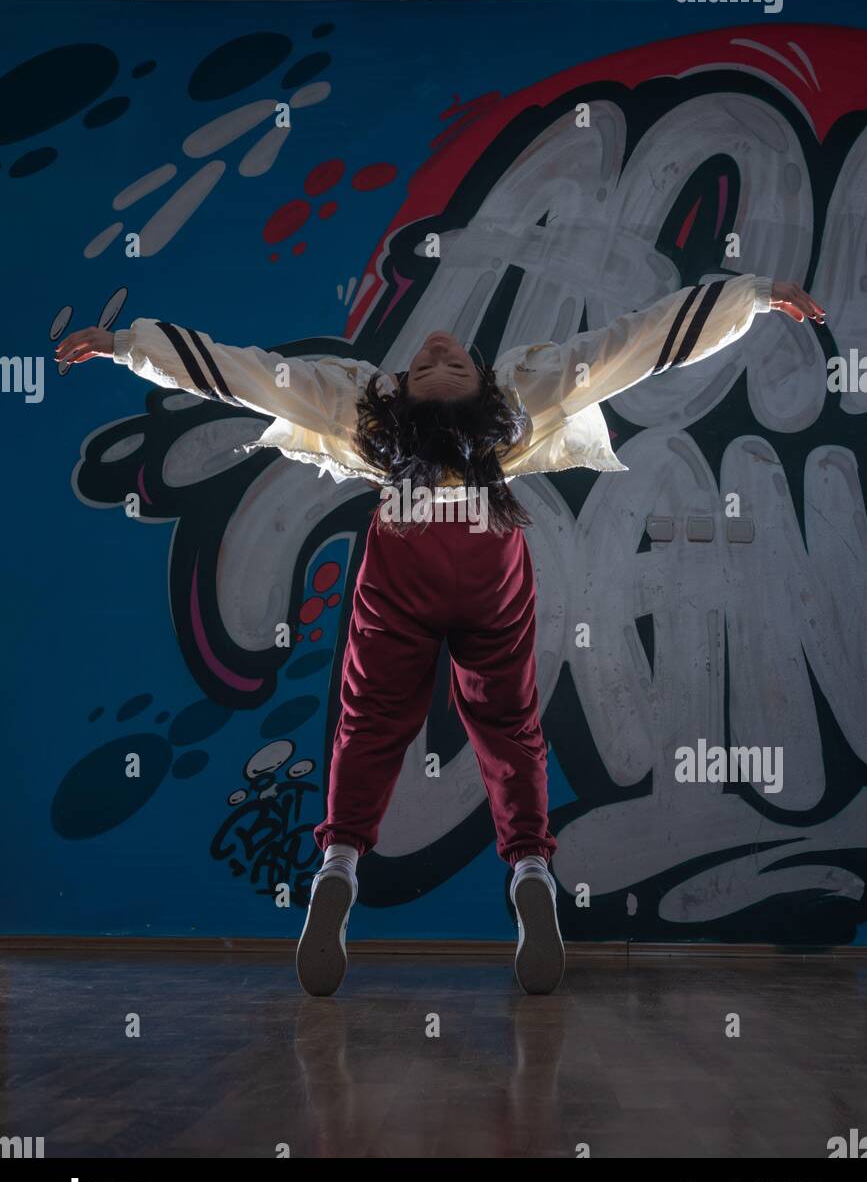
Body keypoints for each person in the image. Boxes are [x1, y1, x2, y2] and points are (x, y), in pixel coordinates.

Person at [55, 274, 825, 997]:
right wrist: (747, 296)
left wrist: (129, 346)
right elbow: (635, 347)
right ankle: (528, 870)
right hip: (488, 575)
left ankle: (339, 866)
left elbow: (241, 376)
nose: (437, 346)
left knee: (369, 725)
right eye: (435, 361)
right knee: (509, 727)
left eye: (440, 360)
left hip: (402, 575)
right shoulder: (519, 397)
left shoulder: (363, 409)